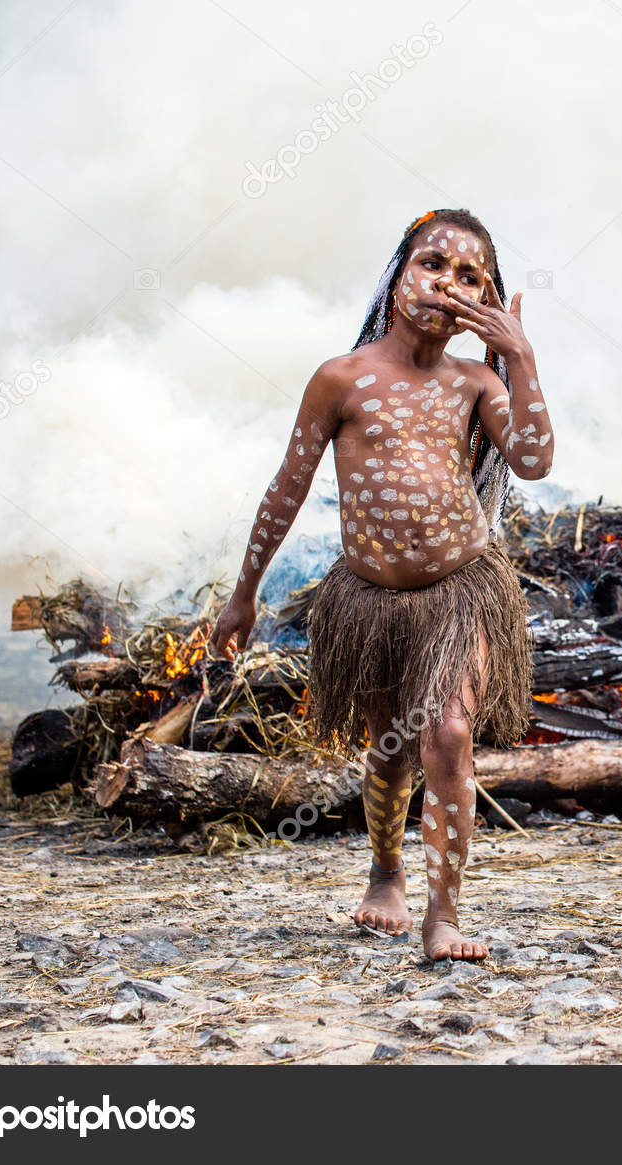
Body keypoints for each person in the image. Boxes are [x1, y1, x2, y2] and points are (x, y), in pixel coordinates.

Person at [210, 208, 552, 960]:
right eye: (433, 263)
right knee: (390, 751)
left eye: (471, 278)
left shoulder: (472, 382)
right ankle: (385, 869)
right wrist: (245, 592)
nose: (448, 283)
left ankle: (444, 914)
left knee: (449, 735)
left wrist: (519, 358)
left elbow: (532, 460)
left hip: (461, 591)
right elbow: (286, 488)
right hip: (367, 601)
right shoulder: (342, 378)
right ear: (397, 276)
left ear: (482, 311)